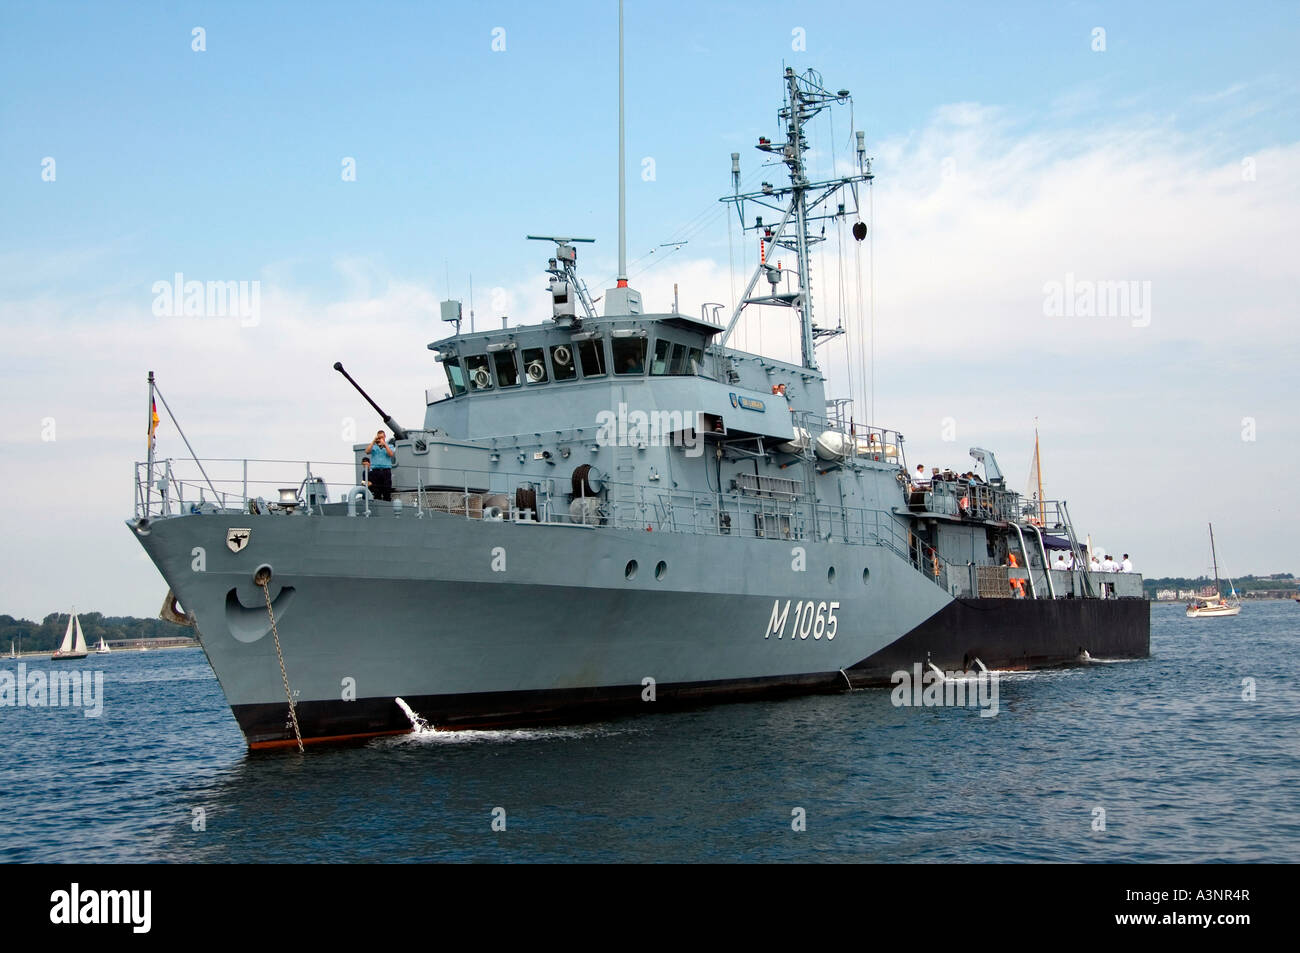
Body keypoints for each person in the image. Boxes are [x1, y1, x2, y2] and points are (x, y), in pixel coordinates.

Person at [366, 430, 396, 501]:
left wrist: (385, 445)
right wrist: (373, 441)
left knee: (387, 491)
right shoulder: (374, 447)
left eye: (382, 437)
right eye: (379, 437)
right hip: (375, 472)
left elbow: (391, 454)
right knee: (377, 492)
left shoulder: (390, 446)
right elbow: (367, 451)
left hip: (386, 471)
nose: (380, 439)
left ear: (385, 437)